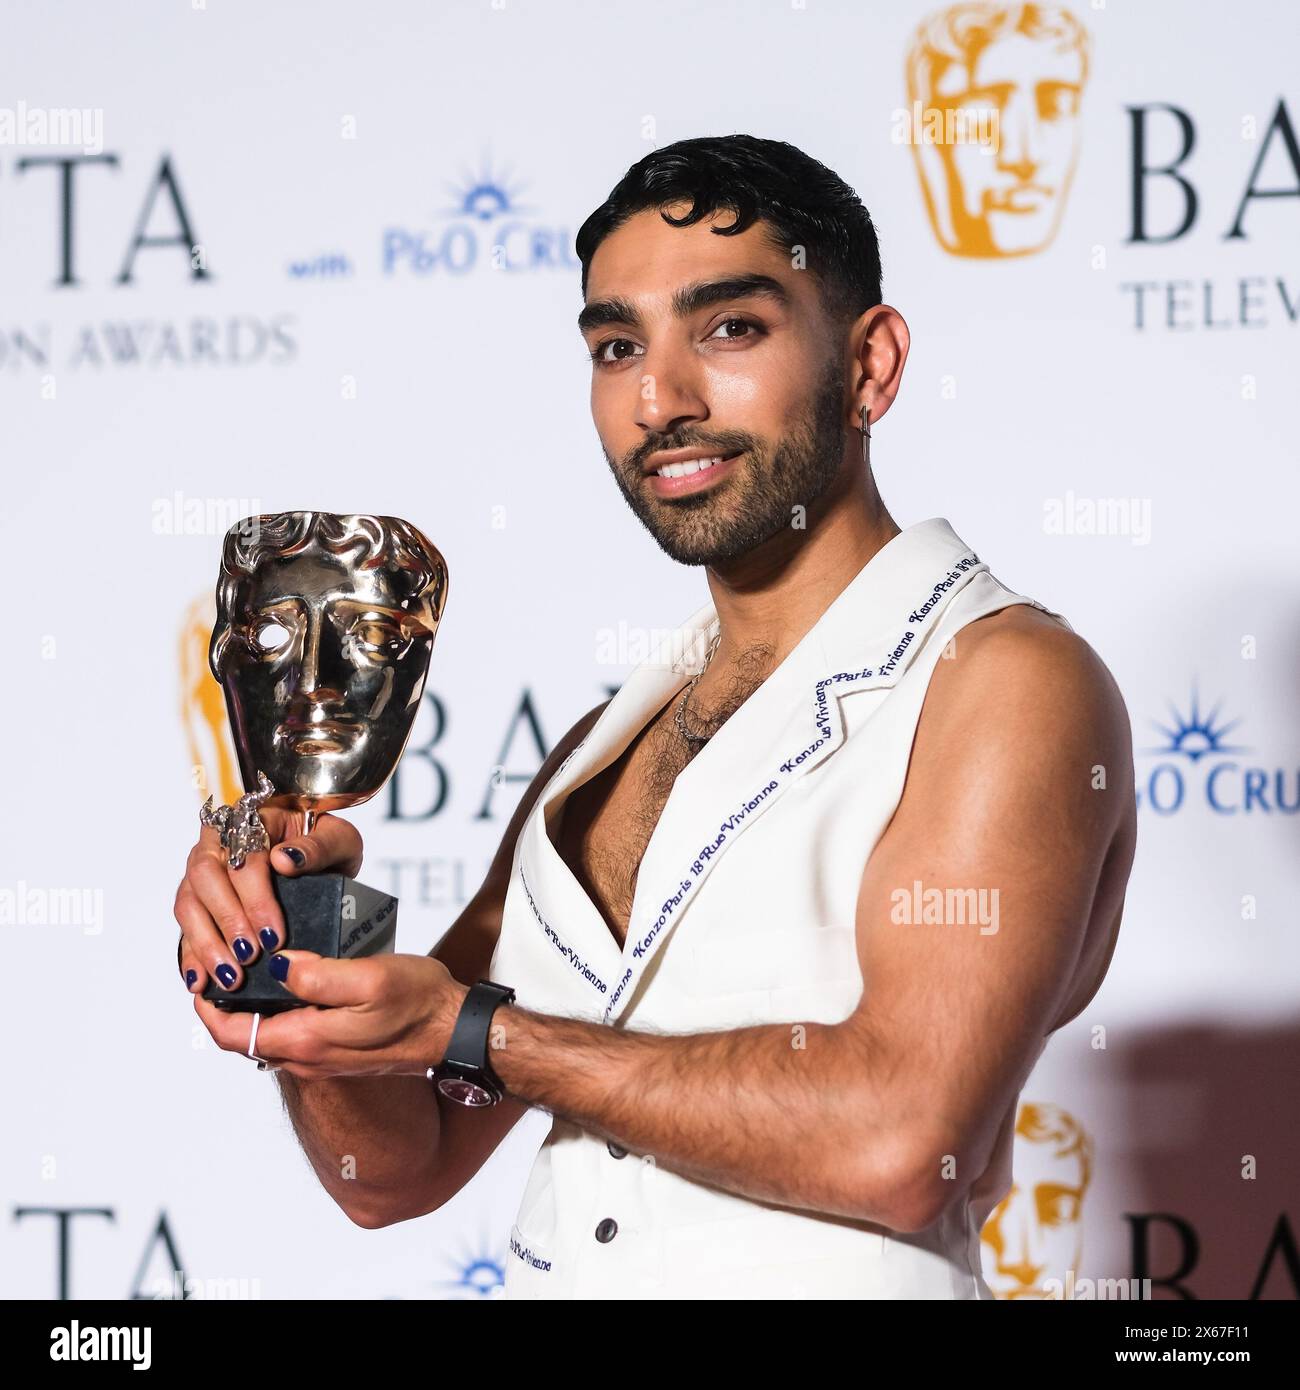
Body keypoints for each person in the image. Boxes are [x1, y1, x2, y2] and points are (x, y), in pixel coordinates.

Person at [175, 134, 1136, 1299]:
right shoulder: (600, 749)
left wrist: (479, 1029)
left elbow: (902, 1144)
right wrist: (301, 952)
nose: (660, 400)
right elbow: (395, 1169)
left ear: (871, 364)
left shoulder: (1004, 678)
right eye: (617, 345)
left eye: (731, 329)